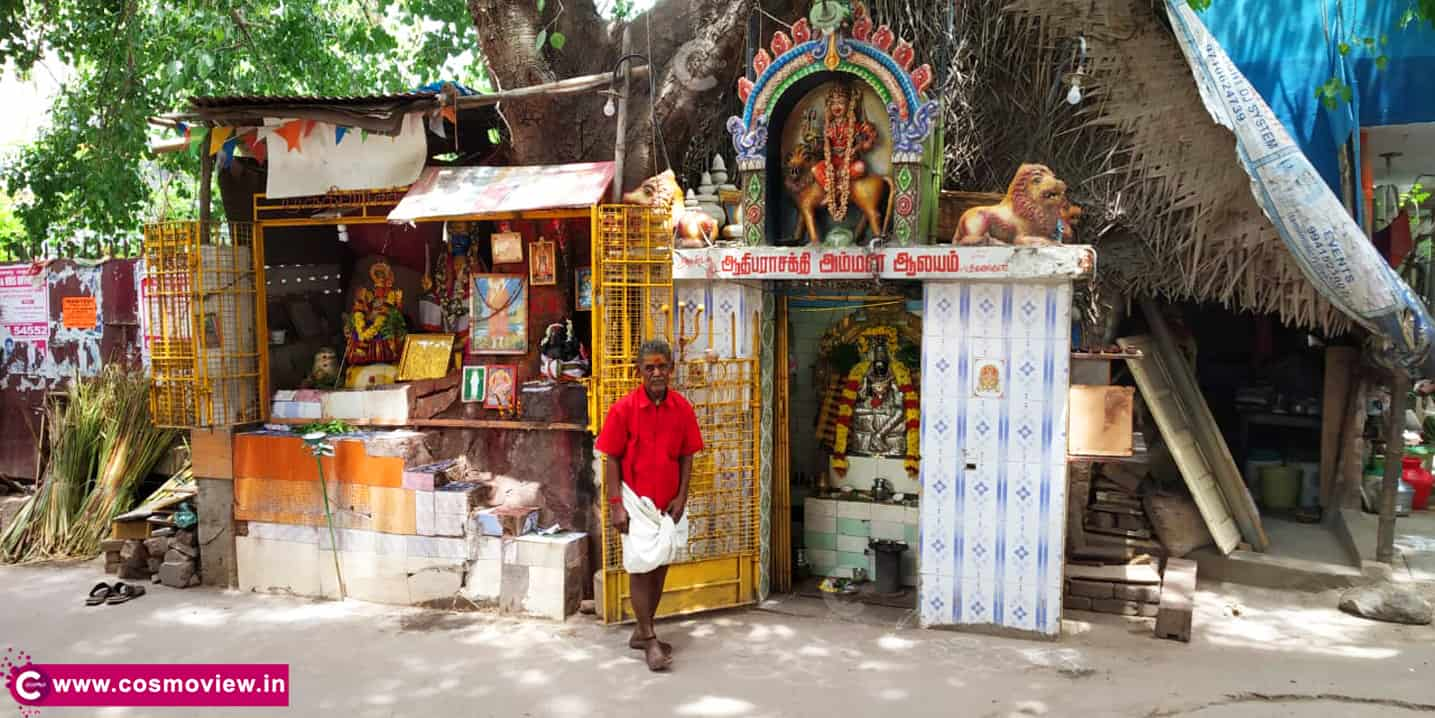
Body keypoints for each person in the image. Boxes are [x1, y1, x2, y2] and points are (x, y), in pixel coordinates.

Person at [594, 338, 703, 672]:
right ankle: (650, 638)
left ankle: (643, 632)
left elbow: (687, 455)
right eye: (649, 367)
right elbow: (611, 458)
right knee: (642, 567)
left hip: (668, 505)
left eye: (662, 366)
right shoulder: (623, 409)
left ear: (671, 368)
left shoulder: (683, 408)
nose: (657, 373)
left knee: (660, 565)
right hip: (634, 502)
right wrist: (615, 505)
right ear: (638, 371)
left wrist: (682, 496)